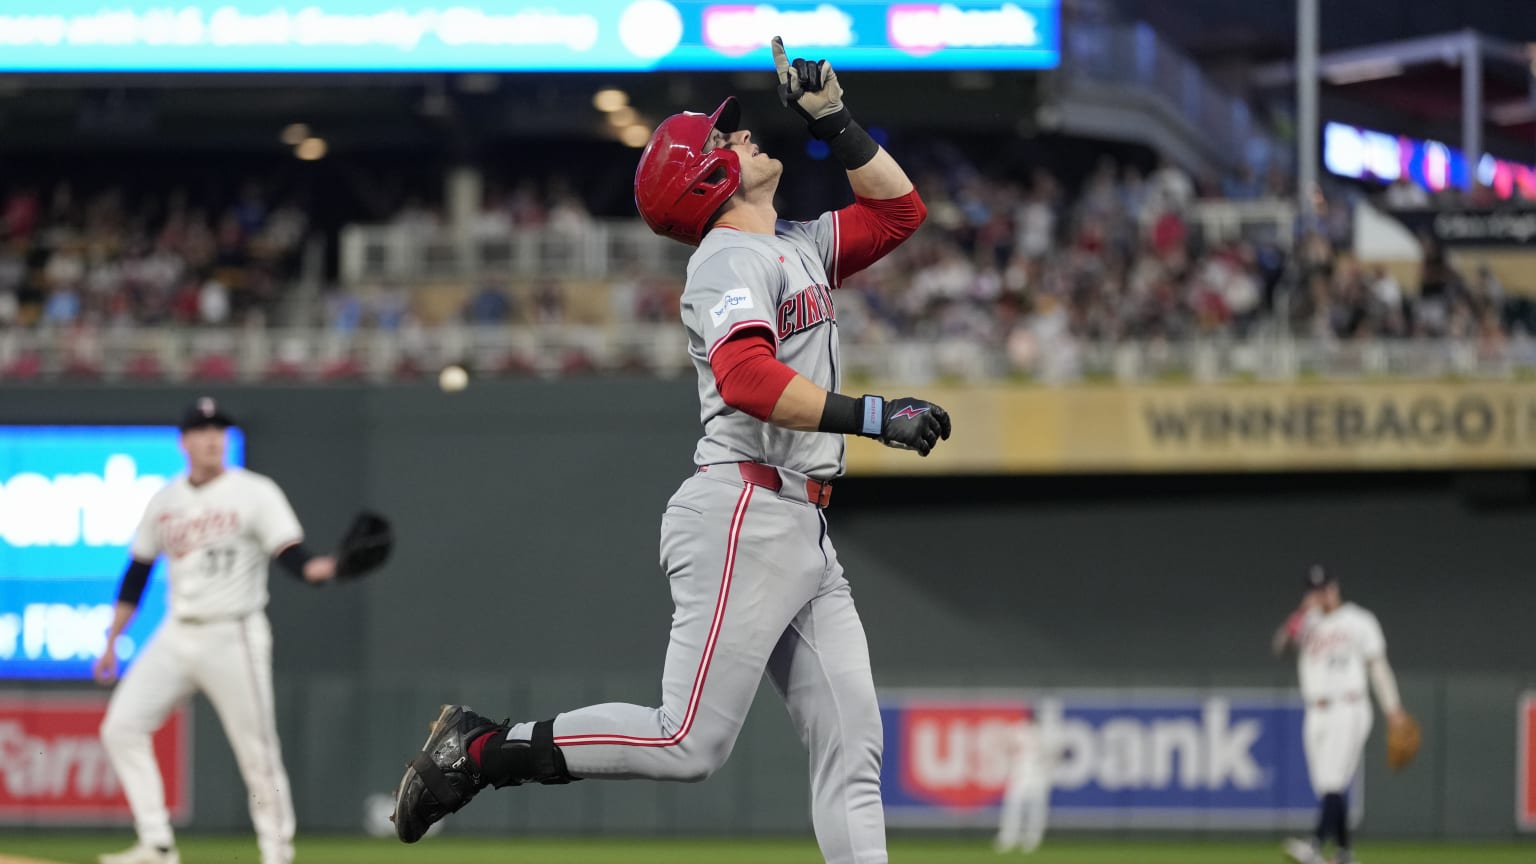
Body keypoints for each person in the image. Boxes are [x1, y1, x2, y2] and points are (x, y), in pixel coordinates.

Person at [389, 36, 951, 864]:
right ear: (709, 179)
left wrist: (836, 118)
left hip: (798, 523)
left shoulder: (794, 242)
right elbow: (750, 378)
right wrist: (872, 416)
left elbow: (901, 212)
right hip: (745, 510)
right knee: (689, 742)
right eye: (724, 141)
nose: (745, 135)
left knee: (851, 752)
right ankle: (480, 752)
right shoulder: (725, 258)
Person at [94, 397, 337, 864]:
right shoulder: (166, 500)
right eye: (203, 430)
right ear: (184, 441)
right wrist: (111, 640)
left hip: (234, 633)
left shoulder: (255, 491)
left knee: (257, 752)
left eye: (219, 430)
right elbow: (138, 572)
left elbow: (292, 555)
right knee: (121, 727)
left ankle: (276, 853)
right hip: (176, 632)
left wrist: (322, 568)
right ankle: (157, 845)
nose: (212, 438)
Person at [1272, 565, 1411, 864]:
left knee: (1333, 781)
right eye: (1313, 589)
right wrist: (1299, 615)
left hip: (1349, 706)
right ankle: (1345, 854)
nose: (1319, 594)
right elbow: (1280, 647)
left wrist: (1393, 709)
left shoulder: (1359, 620)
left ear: (1335, 588)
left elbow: (1378, 666)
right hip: (1315, 710)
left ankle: (1314, 845)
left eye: (1323, 588)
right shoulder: (1306, 622)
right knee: (1327, 786)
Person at [994, 703, 1058, 855]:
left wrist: (1047, 769)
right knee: (1014, 808)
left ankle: (1032, 839)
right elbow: (1007, 747)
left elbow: (1054, 755)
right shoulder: (1020, 730)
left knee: (1036, 810)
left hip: (1038, 775)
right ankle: (1008, 838)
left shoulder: (1046, 732)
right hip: (1021, 773)